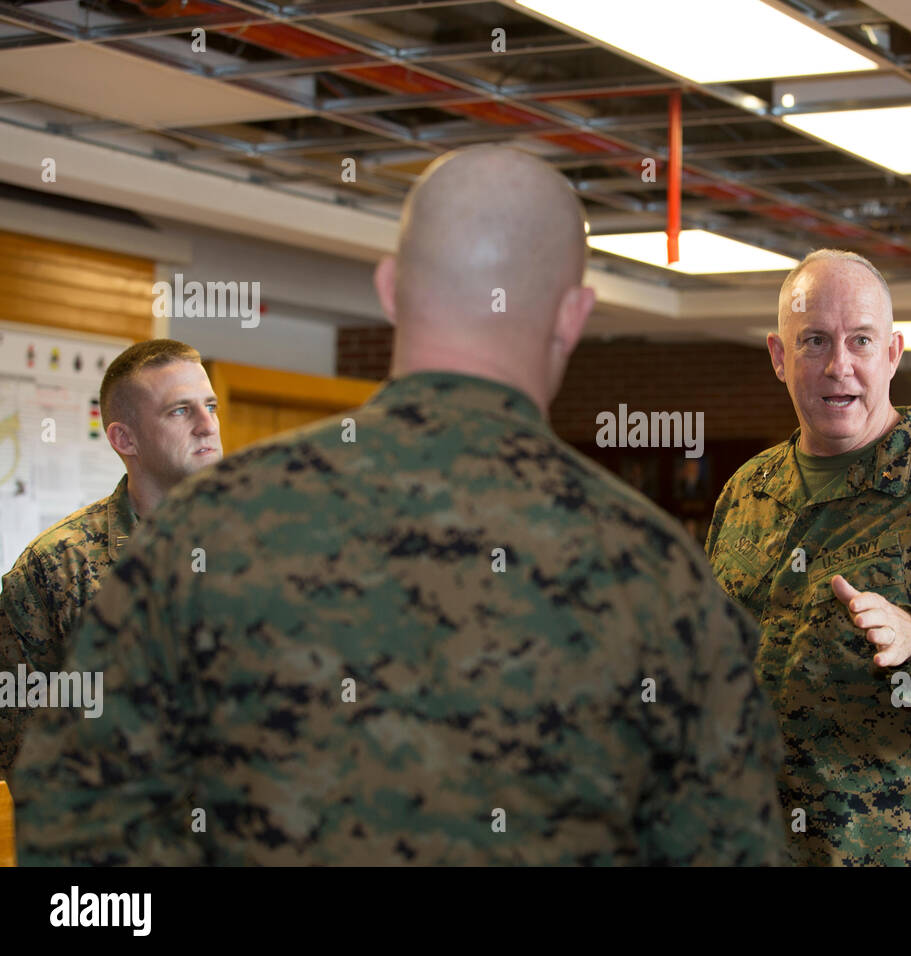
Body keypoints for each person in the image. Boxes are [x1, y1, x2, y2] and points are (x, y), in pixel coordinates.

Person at [14, 146, 787, 866]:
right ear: (573, 315)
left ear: (389, 290)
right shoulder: (660, 576)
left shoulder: (203, 532)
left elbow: (69, 818)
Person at [706, 249, 911, 865]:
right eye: (814, 342)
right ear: (779, 358)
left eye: (860, 341)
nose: (839, 366)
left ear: (892, 354)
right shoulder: (747, 491)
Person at [0, 339, 221, 777]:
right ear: (125, 438)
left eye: (210, 406)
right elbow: (18, 750)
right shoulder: (57, 567)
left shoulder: (272, 543)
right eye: (180, 410)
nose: (207, 426)